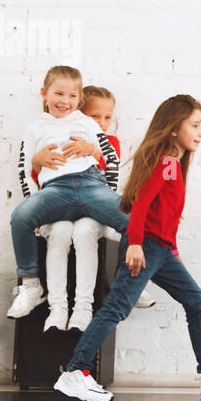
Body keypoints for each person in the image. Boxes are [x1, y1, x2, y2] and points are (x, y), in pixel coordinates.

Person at [54, 94, 201, 401]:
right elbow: (141, 205)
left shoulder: (173, 163)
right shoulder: (166, 162)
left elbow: (165, 216)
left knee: (196, 300)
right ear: (174, 128)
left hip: (160, 250)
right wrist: (134, 244)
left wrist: (173, 251)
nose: (200, 133)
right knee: (117, 308)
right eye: (195, 126)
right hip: (145, 246)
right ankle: (75, 373)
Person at [8, 67, 126, 322]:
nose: (65, 101)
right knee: (20, 218)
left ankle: (129, 280)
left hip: (90, 184)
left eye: (72, 95)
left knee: (134, 217)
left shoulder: (87, 123)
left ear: (80, 97)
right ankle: (30, 286)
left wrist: (92, 150)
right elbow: (24, 169)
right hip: (55, 189)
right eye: (58, 93)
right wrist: (33, 197)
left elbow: (113, 160)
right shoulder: (34, 127)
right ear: (44, 93)